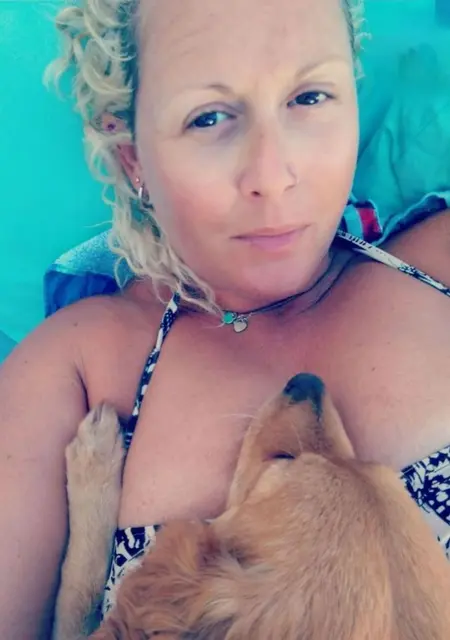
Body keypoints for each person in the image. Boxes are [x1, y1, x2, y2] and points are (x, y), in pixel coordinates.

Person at [0, 0, 449, 636]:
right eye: (208, 117)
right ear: (132, 158)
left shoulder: (438, 262)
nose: (274, 176)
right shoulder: (74, 367)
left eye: (310, 97)